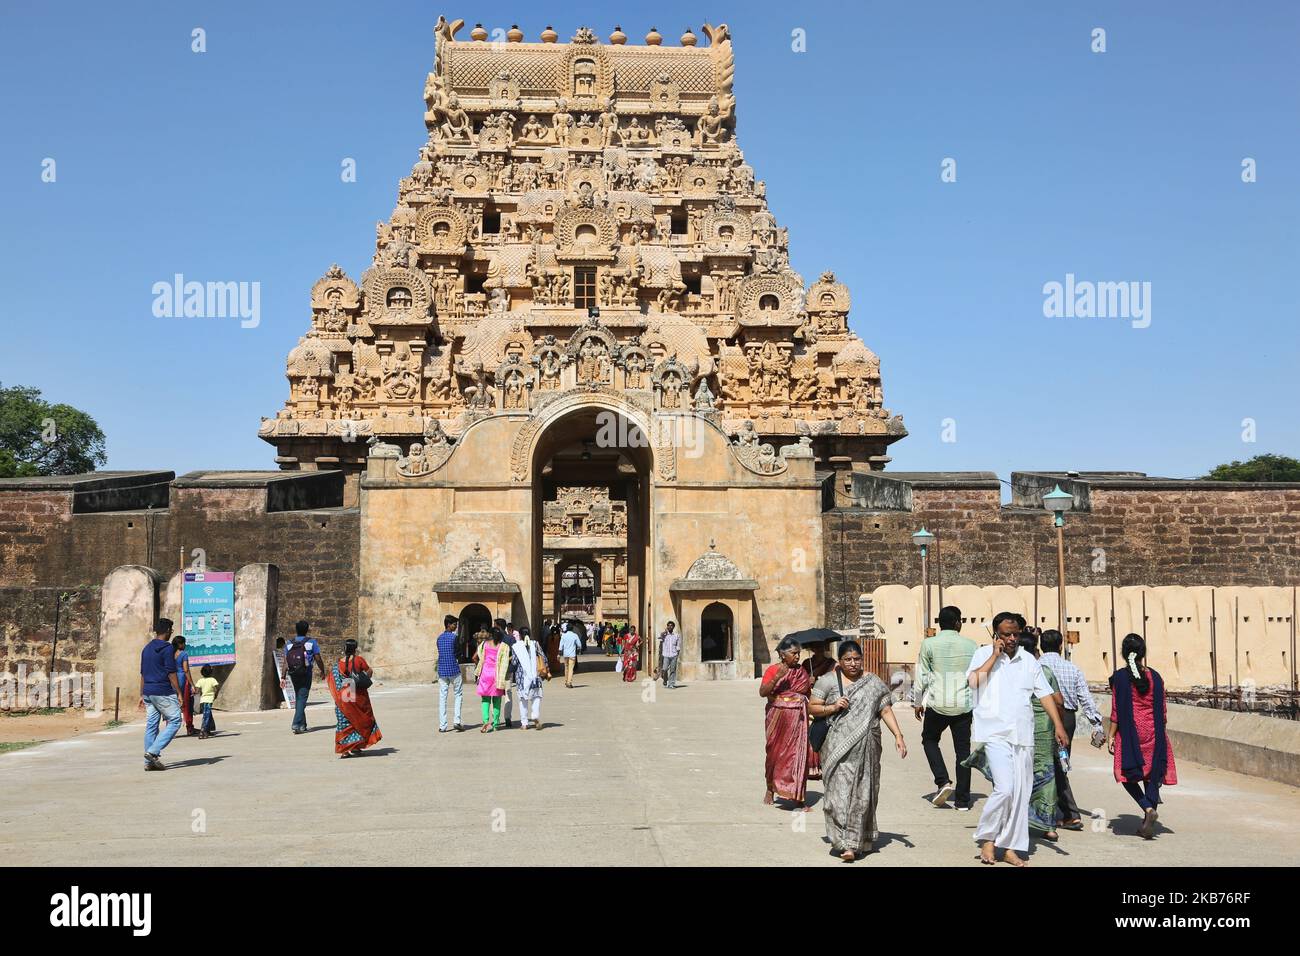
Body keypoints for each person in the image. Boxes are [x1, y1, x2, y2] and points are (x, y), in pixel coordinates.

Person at [965, 612, 1069, 866]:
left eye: (1015, 634)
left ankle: (1010, 846)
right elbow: (973, 682)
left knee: (1021, 794)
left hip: (1023, 735)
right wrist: (994, 656)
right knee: (1005, 789)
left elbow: (1044, 694)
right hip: (993, 733)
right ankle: (988, 839)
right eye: (1005, 634)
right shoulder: (982, 655)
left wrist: (1058, 725)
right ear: (996, 635)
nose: (1011, 639)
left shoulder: (1028, 661)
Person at [809, 640, 907, 861]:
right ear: (840, 661)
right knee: (837, 796)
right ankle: (841, 838)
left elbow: (885, 710)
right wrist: (833, 707)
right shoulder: (828, 681)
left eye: (857, 659)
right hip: (836, 750)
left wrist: (898, 736)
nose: (853, 664)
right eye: (847, 659)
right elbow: (812, 707)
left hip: (867, 747)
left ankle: (852, 844)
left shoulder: (873, 682)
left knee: (863, 794)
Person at [1107, 633, 1177, 839]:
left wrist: (1111, 736)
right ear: (1143, 653)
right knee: (1151, 774)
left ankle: (1146, 808)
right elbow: (1163, 711)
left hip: (1131, 734)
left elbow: (1116, 712)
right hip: (1154, 732)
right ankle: (1148, 822)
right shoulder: (1155, 677)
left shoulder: (1120, 677)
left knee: (1126, 774)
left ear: (1123, 653)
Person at [1039, 628, 1105, 829]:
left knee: (1046, 765)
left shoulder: (1036, 666)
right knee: (1061, 761)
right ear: (1060, 646)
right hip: (1067, 719)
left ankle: (1069, 812)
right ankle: (1056, 810)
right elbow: (1085, 698)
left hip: (1044, 718)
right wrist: (1097, 724)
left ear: (1041, 646)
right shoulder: (1072, 669)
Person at [914, 605, 977, 809]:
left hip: (938, 703)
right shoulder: (971, 645)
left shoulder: (929, 644)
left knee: (929, 740)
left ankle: (943, 781)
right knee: (963, 752)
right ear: (958, 622)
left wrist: (917, 701)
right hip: (963, 705)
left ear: (939, 623)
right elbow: (977, 676)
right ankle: (963, 800)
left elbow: (921, 674)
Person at [1020, 627, 1063, 841]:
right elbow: (1059, 701)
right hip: (1045, 729)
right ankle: (1048, 826)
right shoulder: (1044, 671)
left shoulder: (1014, 671)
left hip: (1021, 729)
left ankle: (1020, 820)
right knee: (1046, 774)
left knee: (1020, 773)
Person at [759, 637, 812, 810]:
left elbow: (807, 694)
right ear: (783, 655)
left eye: (799, 653)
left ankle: (797, 797)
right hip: (777, 717)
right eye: (793, 653)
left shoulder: (802, 671)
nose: (797, 657)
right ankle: (770, 788)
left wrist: (811, 684)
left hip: (798, 719)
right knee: (774, 754)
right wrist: (777, 678)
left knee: (798, 756)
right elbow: (763, 692)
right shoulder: (773, 670)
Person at [139, 618, 183, 771]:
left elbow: (143, 673)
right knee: (176, 720)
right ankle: (152, 752)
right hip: (162, 691)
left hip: (148, 692)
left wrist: (141, 693)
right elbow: (171, 672)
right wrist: (179, 692)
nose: (172, 632)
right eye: (171, 629)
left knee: (151, 725)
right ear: (167, 631)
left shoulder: (146, 648)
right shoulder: (167, 648)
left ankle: (149, 763)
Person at [327, 639, 382, 756]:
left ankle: (345, 750)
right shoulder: (359, 660)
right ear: (355, 649)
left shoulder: (337, 665)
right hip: (358, 697)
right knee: (359, 721)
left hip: (344, 698)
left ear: (344, 649)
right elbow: (369, 672)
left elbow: (332, 681)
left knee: (345, 724)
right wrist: (360, 678)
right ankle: (356, 747)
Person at [800, 640, 836, 781]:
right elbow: (800, 681)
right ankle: (811, 767)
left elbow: (834, 678)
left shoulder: (832, 663)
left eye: (821, 646)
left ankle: (824, 765)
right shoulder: (806, 663)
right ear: (812, 648)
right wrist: (808, 681)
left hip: (826, 700)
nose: (819, 649)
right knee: (810, 732)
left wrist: (819, 680)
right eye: (816, 646)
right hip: (810, 699)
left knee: (825, 732)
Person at [286, 620, 326, 734]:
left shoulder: (289, 643)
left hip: (293, 674)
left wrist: (283, 676)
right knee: (302, 697)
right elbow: (318, 658)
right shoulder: (311, 642)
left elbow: (285, 661)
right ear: (307, 630)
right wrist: (323, 670)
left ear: (296, 630)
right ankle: (296, 723)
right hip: (306, 673)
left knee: (299, 697)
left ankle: (303, 725)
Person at [512, 628, 548, 729]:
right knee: (536, 697)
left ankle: (524, 723)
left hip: (521, 677)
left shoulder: (515, 646)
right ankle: (535, 716)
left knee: (523, 700)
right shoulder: (535, 644)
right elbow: (543, 658)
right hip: (535, 677)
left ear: (520, 635)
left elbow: (514, 662)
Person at [474, 628, 507, 732]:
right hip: (496, 675)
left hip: (485, 674)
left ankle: (485, 721)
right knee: (497, 700)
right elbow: (505, 663)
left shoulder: (484, 644)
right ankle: (496, 724)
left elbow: (480, 655)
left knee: (485, 699)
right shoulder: (504, 646)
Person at [436, 614, 464, 733]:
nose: (455, 627)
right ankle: (456, 721)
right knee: (458, 694)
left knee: (443, 697)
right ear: (449, 625)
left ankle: (443, 725)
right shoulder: (454, 638)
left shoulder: (439, 638)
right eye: (454, 624)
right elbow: (458, 653)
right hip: (453, 670)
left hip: (442, 671)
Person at [172, 635, 196, 737]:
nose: (185, 645)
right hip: (182, 680)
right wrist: (192, 684)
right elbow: (186, 670)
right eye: (184, 643)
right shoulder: (184, 654)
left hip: (172, 680)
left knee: (173, 705)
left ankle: (170, 730)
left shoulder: (171, 654)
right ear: (180, 644)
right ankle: (189, 728)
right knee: (187, 704)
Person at [497, 619, 518, 729]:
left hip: (497, 670)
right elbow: (515, 654)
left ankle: (496, 718)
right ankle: (507, 717)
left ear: (498, 627)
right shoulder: (511, 638)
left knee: (496, 693)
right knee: (508, 692)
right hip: (508, 669)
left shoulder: (496, 639)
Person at [194, 665, 220, 739]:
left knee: (207, 715)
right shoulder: (212, 680)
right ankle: (203, 731)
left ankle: (208, 730)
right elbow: (217, 688)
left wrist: (195, 692)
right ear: (211, 672)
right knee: (206, 716)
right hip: (209, 700)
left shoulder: (200, 680)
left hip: (202, 700)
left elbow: (197, 690)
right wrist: (215, 695)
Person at [658, 621, 681, 689]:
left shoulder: (676, 635)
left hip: (674, 655)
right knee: (664, 669)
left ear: (673, 627)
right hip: (666, 655)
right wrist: (664, 633)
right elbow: (660, 636)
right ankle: (665, 679)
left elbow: (678, 645)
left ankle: (671, 684)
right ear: (667, 626)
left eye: (671, 626)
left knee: (673, 670)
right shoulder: (664, 635)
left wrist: (677, 653)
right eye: (668, 625)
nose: (670, 627)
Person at [559, 623, 581, 688]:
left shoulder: (563, 636)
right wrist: (578, 648)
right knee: (571, 668)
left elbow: (560, 646)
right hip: (572, 654)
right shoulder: (575, 635)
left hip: (565, 654)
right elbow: (579, 645)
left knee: (566, 668)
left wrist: (559, 653)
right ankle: (569, 682)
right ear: (572, 629)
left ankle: (566, 681)